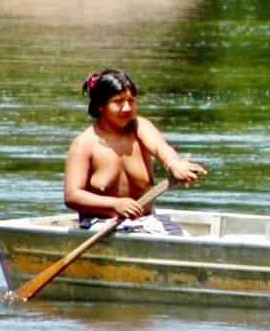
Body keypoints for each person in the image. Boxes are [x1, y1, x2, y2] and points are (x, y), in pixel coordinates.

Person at [64, 69, 206, 234]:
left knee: (184, 241)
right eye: (118, 102)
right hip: (101, 226)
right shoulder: (84, 144)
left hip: (147, 222)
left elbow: (160, 148)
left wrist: (174, 164)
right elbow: (72, 196)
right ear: (100, 106)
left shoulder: (139, 127)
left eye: (131, 101)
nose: (127, 108)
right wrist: (115, 204)